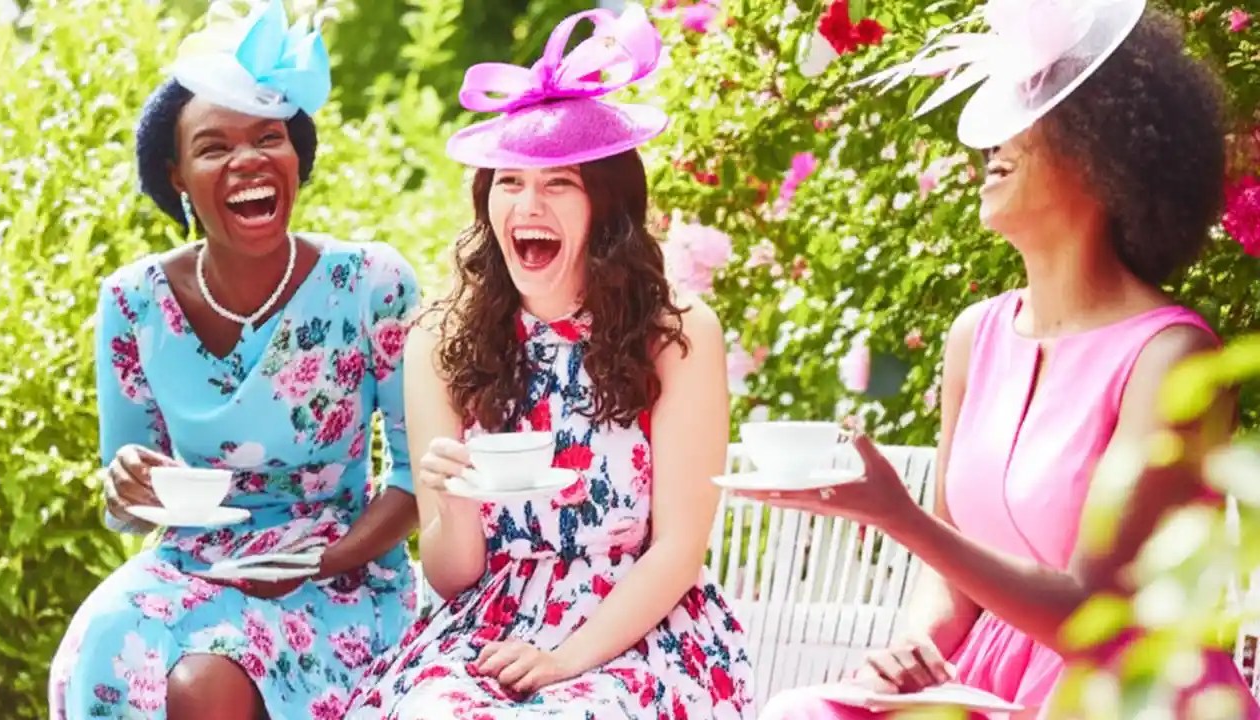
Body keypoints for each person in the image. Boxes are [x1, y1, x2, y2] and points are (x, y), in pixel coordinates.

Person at [749, 0, 1260, 718]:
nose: (993, 140)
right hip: (988, 685)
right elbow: (949, 589)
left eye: (1032, 108)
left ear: (1103, 148)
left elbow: (1095, 621)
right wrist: (915, 653)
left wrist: (899, 517)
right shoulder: (974, 335)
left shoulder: (1169, 356)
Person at [344, 6, 755, 719]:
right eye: (508, 182)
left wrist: (566, 660)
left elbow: (679, 549)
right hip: (489, 629)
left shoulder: (677, 334)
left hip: (641, 631)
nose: (527, 203)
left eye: (559, 183)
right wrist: (456, 497)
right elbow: (452, 575)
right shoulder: (440, 341)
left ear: (606, 208)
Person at [48, 2, 420, 718]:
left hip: (338, 570)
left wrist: (322, 559)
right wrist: (129, 483)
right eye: (214, 146)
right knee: (104, 643)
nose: (247, 160)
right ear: (178, 175)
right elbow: (130, 494)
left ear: (296, 158)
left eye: (268, 138)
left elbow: (414, 480)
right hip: (192, 565)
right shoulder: (133, 303)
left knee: (204, 686)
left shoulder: (372, 284)